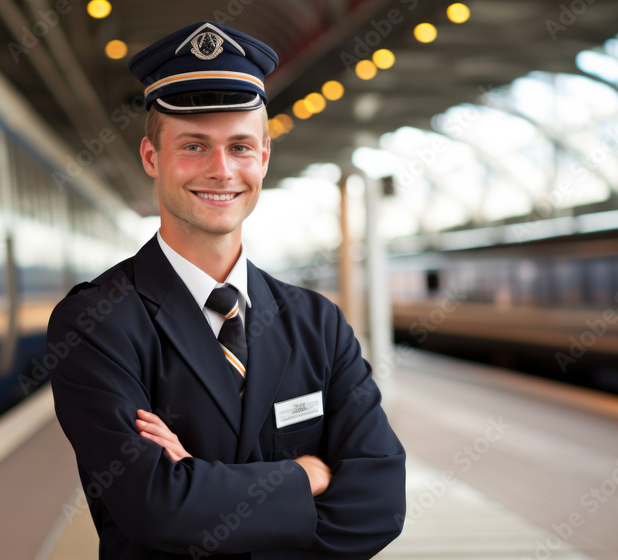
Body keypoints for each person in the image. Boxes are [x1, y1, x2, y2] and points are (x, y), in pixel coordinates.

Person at [47, 21, 405, 560]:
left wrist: (198, 488)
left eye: (240, 147)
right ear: (152, 158)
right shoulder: (95, 323)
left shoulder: (318, 322)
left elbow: (379, 503)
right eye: (194, 146)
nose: (221, 171)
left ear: (263, 158)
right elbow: (154, 508)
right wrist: (303, 475)